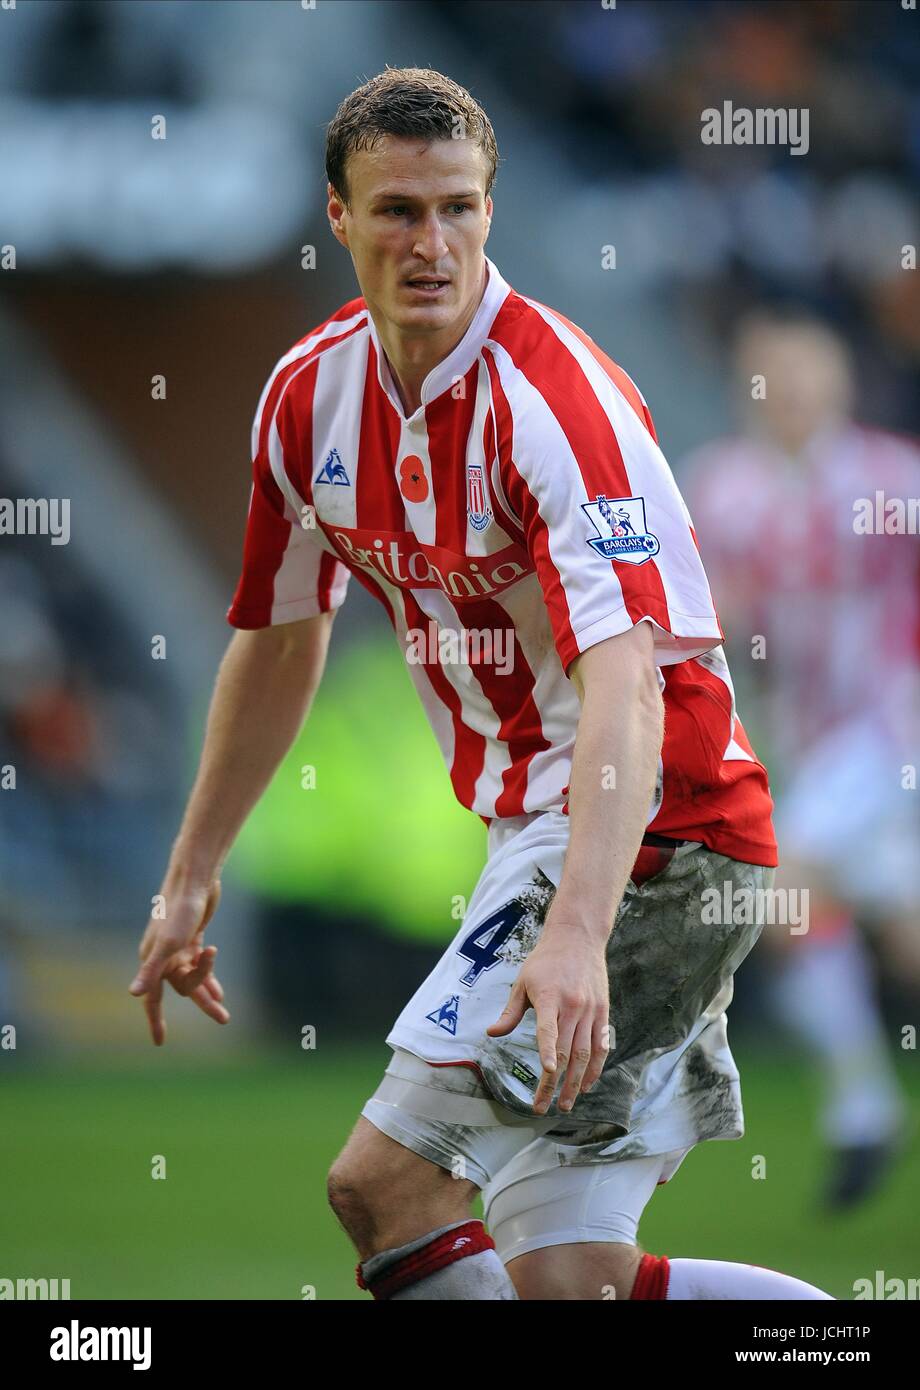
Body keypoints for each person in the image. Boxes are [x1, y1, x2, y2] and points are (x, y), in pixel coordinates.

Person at [130, 67, 833, 1302]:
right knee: (572, 1280)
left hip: (654, 831)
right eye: (396, 210)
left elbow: (623, 677)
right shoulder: (305, 400)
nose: (429, 242)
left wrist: (574, 937)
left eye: (457, 207)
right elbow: (278, 636)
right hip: (555, 830)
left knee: (383, 1184)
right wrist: (189, 877)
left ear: (491, 213)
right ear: (336, 217)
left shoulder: (553, 401)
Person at [682, 310, 920, 1210]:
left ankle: (862, 1110)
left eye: (804, 372)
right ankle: (866, 1108)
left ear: (840, 383)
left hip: (892, 725)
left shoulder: (891, 478)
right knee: (901, 934)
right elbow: (708, 607)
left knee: (784, 880)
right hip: (812, 741)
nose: (786, 391)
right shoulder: (722, 486)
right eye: (769, 373)